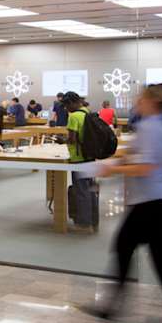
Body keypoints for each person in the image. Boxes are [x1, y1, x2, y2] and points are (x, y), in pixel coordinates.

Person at [93, 84, 162, 323]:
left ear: (150, 101)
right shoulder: (158, 126)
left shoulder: (152, 127)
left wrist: (111, 169)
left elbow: (146, 167)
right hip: (155, 199)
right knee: (129, 249)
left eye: (141, 97)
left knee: (154, 259)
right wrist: (118, 161)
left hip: (151, 201)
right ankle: (111, 307)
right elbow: (135, 156)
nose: (137, 101)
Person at [63, 91, 97, 229]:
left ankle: (83, 223)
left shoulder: (74, 116)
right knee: (90, 188)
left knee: (81, 189)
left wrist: (61, 140)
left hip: (78, 158)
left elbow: (72, 139)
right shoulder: (87, 113)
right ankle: (93, 219)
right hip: (90, 156)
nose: (66, 108)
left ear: (71, 103)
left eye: (66, 105)